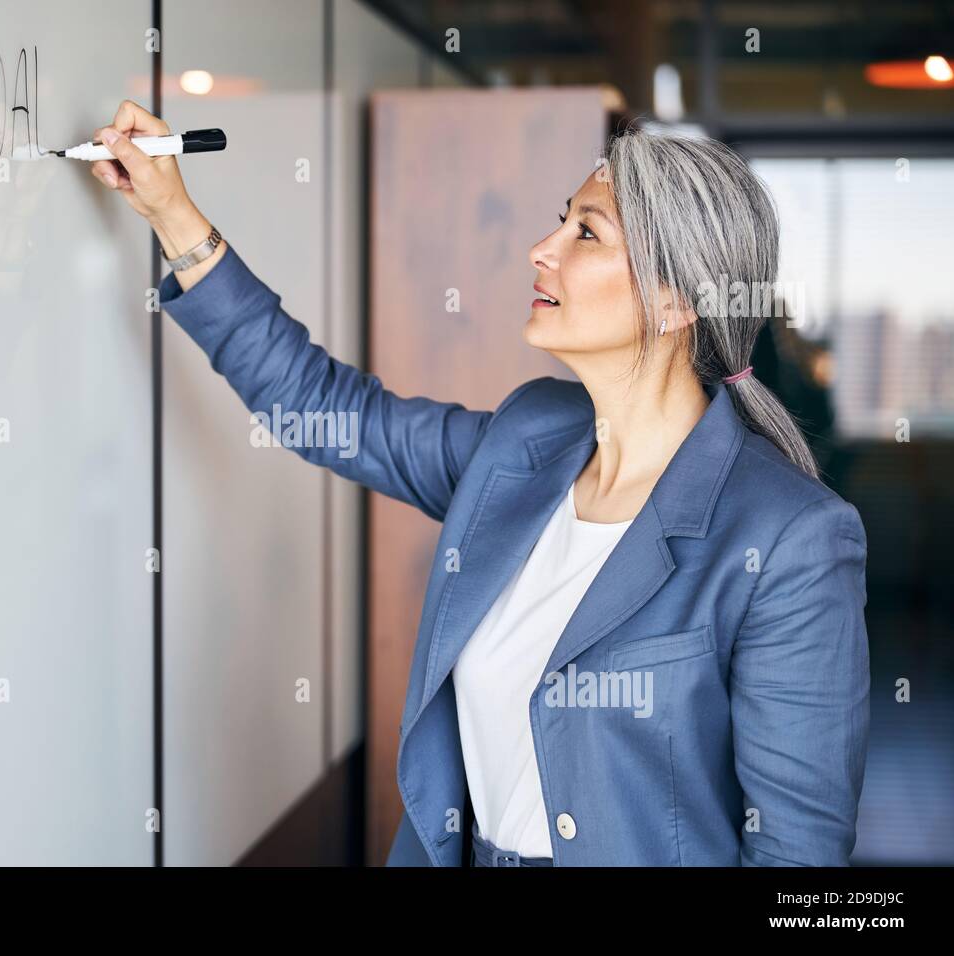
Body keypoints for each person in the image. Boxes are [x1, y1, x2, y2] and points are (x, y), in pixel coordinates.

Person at [89, 100, 870, 867]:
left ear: (675, 301)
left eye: (586, 232)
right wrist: (174, 215)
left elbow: (797, 863)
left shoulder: (788, 538)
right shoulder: (525, 441)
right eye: (562, 220)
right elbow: (325, 409)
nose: (541, 247)